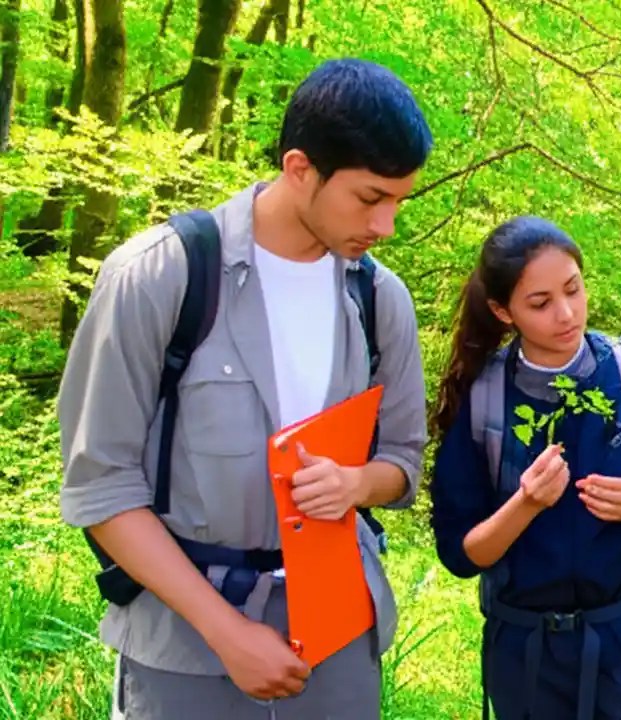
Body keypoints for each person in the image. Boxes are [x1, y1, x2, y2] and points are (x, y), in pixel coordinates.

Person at [57, 58, 433, 719]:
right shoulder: (160, 277)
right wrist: (225, 632)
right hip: (184, 644)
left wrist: (356, 485)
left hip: (339, 637)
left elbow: (403, 461)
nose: (385, 227)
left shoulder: (380, 300)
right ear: (299, 169)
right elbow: (101, 486)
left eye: (400, 202)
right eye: (371, 198)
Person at [427, 215, 621, 720]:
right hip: (528, 656)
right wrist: (525, 504)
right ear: (502, 310)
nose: (566, 314)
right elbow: (460, 554)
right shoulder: (486, 400)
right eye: (540, 303)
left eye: (574, 290)